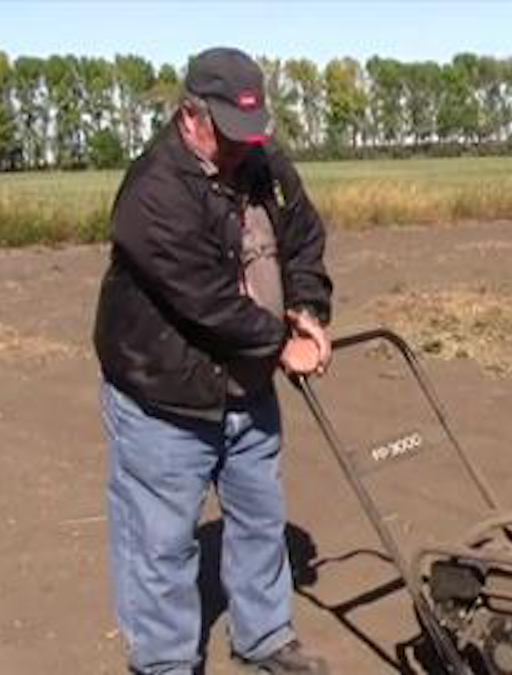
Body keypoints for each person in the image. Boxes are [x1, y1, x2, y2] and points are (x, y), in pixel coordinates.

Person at [93, 47, 333, 674]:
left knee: (259, 517)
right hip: (164, 395)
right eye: (229, 133)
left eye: (251, 133)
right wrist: (282, 343)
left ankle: (264, 637)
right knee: (162, 543)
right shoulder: (154, 192)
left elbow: (303, 235)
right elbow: (207, 301)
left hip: (246, 387)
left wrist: (307, 307)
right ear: (190, 116)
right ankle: (166, 664)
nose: (242, 148)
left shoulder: (261, 161)